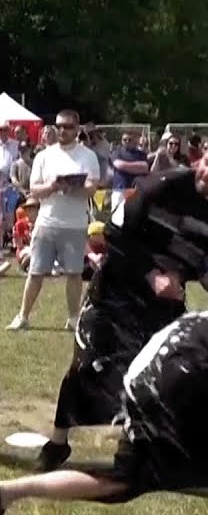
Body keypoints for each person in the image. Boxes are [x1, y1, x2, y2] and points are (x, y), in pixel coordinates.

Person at [33, 164, 208, 471]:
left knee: (160, 375)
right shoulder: (162, 186)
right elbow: (113, 234)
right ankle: (58, 442)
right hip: (117, 287)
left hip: (164, 303)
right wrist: (152, 275)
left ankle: (139, 449)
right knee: (87, 366)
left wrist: (184, 276)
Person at [0, 311, 208, 515]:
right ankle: (4, 494)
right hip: (174, 384)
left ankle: (3, 493)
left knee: (126, 476)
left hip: (144, 377)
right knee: (125, 480)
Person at [7, 109, 101, 331]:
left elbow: (91, 189)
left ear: (77, 129)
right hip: (46, 222)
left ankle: (73, 318)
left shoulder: (88, 156)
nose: (62, 130)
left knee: (74, 274)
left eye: (68, 127)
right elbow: (34, 190)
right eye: (59, 126)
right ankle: (23, 316)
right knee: (36, 272)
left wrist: (72, 188)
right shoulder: (43, 155)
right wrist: (52, 186)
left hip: (75, 224)